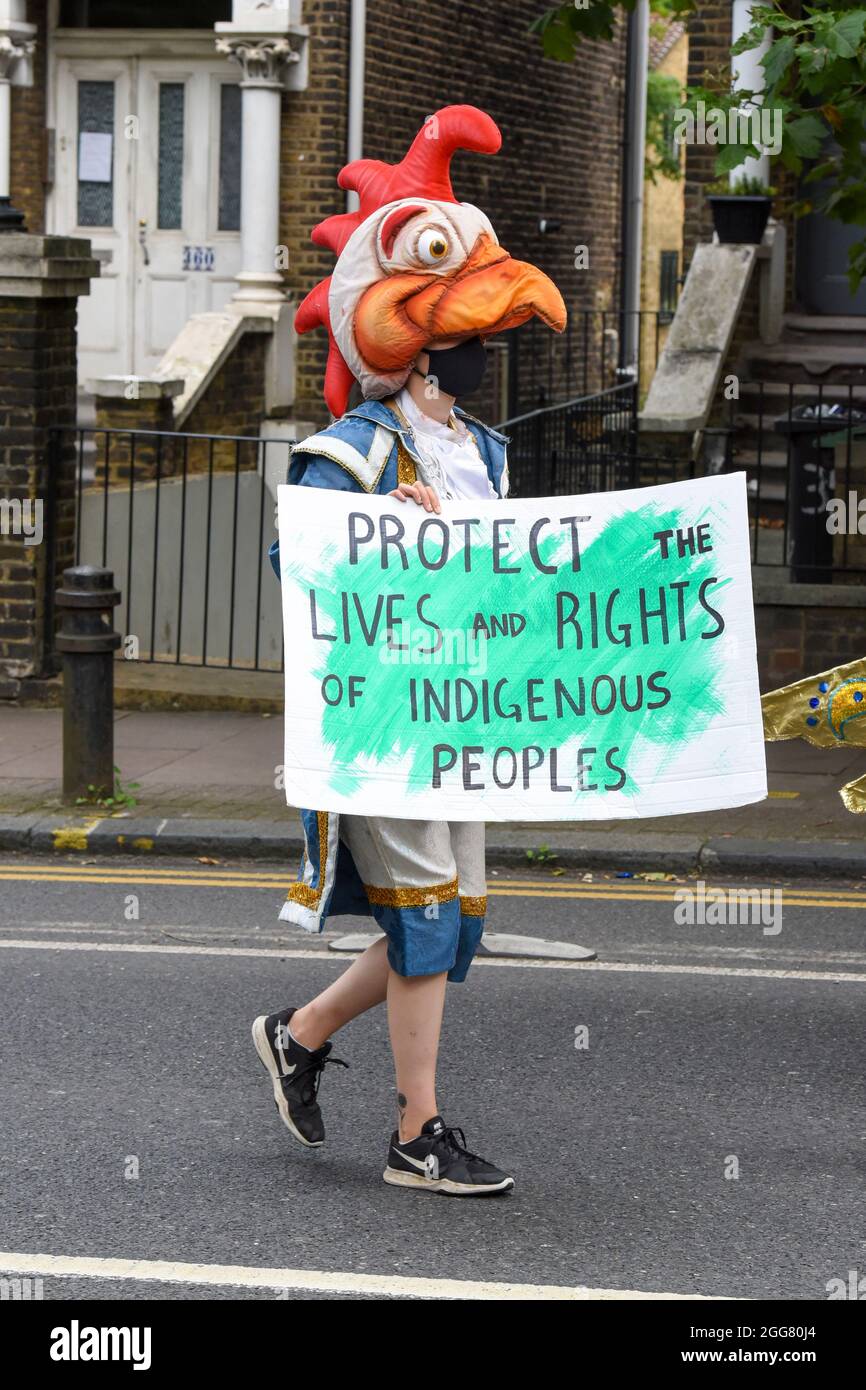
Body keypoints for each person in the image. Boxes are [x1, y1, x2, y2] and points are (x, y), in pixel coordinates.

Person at [253, 105, 565, 1196]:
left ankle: (296, 1035)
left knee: (455, 929)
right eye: (455, 337)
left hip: (464, 717)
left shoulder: (482, 449)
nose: (476, 353)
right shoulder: (342, 453)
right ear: (401, 333)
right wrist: (402, 535)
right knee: (425, 917)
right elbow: (304, 579)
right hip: (387, 720)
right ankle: (415, 1134)